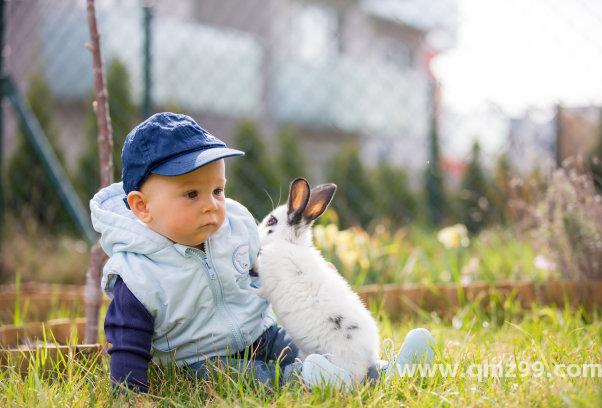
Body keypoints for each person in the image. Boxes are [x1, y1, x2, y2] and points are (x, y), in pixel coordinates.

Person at [90, 112, 434, 393]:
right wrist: (129, 393)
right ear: (142, 207)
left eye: (218, 190)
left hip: (258, 332)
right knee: (242, 376)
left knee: (298, 346)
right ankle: (304, 382)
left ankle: (374, 372)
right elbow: (126, 341)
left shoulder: (236, 226)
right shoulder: (138, 273)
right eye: (192, 195)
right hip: (198, 358)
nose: (211, 206)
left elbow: (271, 264)